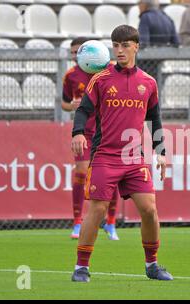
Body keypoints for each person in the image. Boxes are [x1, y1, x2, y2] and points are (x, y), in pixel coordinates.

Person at [70, 25, 173, 282]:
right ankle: (81, 267)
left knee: (149, 209)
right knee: (98, 209)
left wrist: (160, 151)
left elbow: (155, 119)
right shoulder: (101, 79)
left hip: (133, 157)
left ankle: (152, 265)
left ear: (136, 46)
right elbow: (82, 110)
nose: (120, 50)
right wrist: (78, 132)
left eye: (125, 45)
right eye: (116, 45)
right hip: (105, 155)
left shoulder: (148, 82)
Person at [62, 37, 120, 241]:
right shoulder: (71, 75)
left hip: (108, 131)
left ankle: (111, 222)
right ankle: (77, 221)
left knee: (110, 176)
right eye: (73, 52)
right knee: (81, 171)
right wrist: (74, 106)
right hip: (85, 131)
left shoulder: (110, 69)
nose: (76, 55)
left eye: (79, 51)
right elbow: (64, 103)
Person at [138, 0, 180, 81]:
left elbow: (143, 43)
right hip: (162, 63)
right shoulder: (167, 17)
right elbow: (176, 42)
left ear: (144, 5)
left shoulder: (145, 17)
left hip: (146, 64)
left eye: (139, 4)